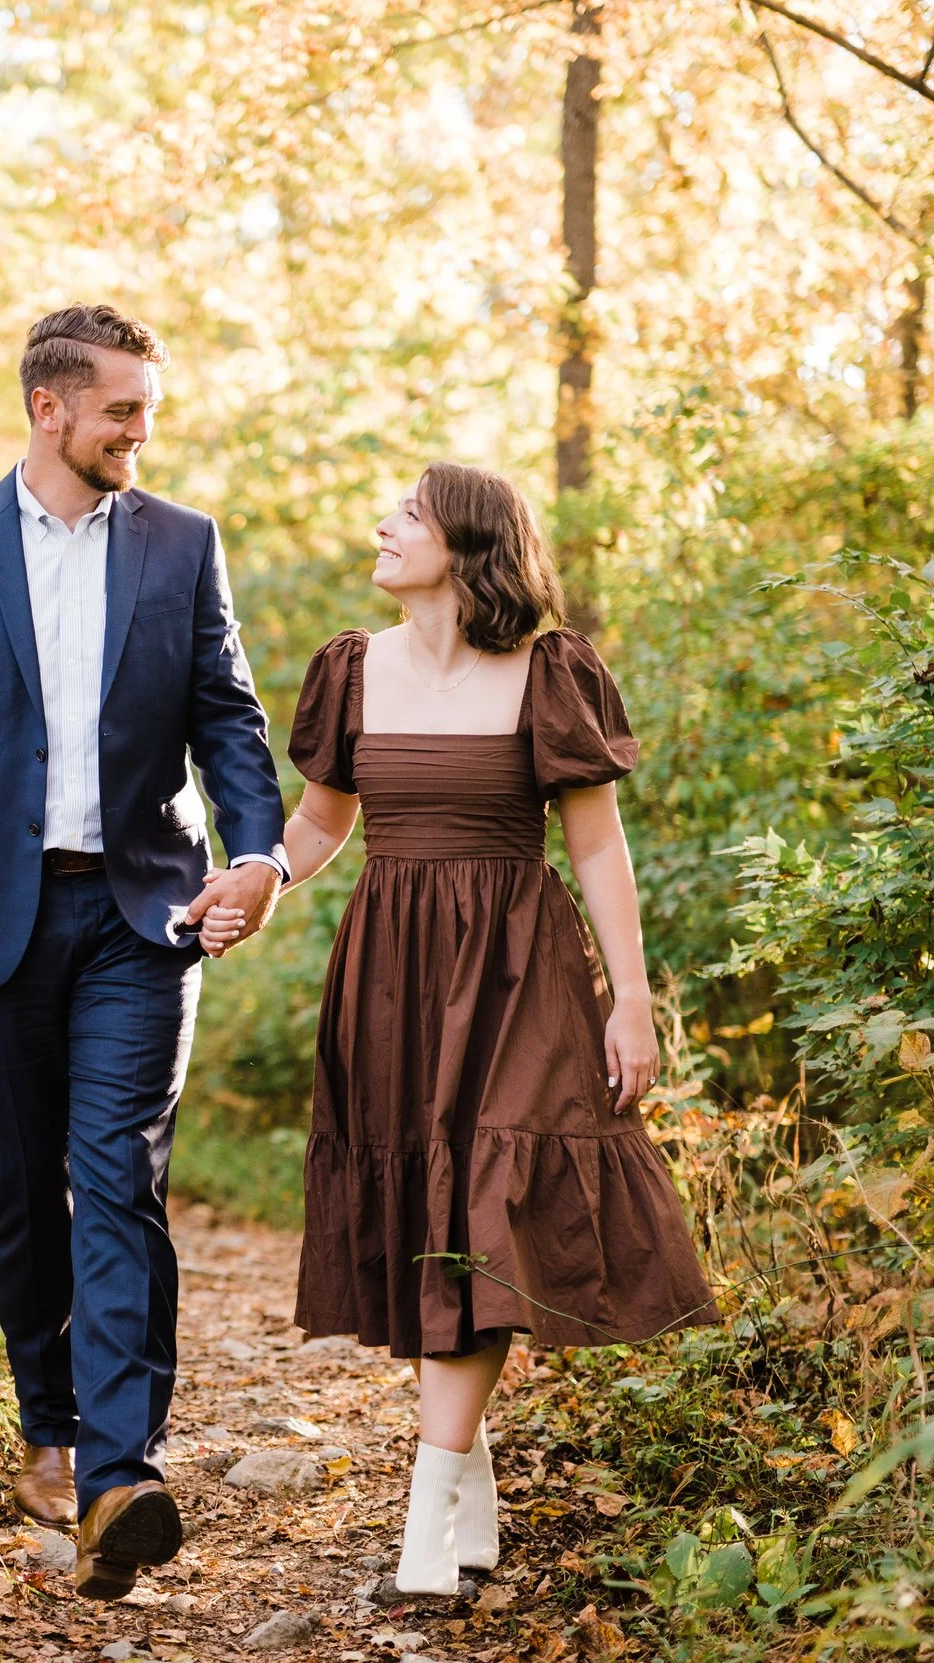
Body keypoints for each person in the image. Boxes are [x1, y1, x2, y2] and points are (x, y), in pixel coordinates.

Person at [196, 462, 713, 1599]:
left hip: (520, 971)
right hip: (391, 973)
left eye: (407, 515)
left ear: (466, 544)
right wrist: (254, 879)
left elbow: (593, 846)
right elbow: (322, 826)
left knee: (484, 1210)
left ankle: (423, 1537)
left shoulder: (548, 670)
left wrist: (630, 996)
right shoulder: (350, 667)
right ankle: (468, 1491)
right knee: (428, 1210)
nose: (381, 526)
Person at [0, 304, 290, 1600]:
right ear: (51, 408)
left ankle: (118, 1474)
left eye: (146, 412)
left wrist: (258, 851)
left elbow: (229, 713)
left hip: (140, 914)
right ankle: (44, 1421)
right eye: (122, 413)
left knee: (117, 1176)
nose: (140, 435)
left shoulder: (180, 541)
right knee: (19, 1187)